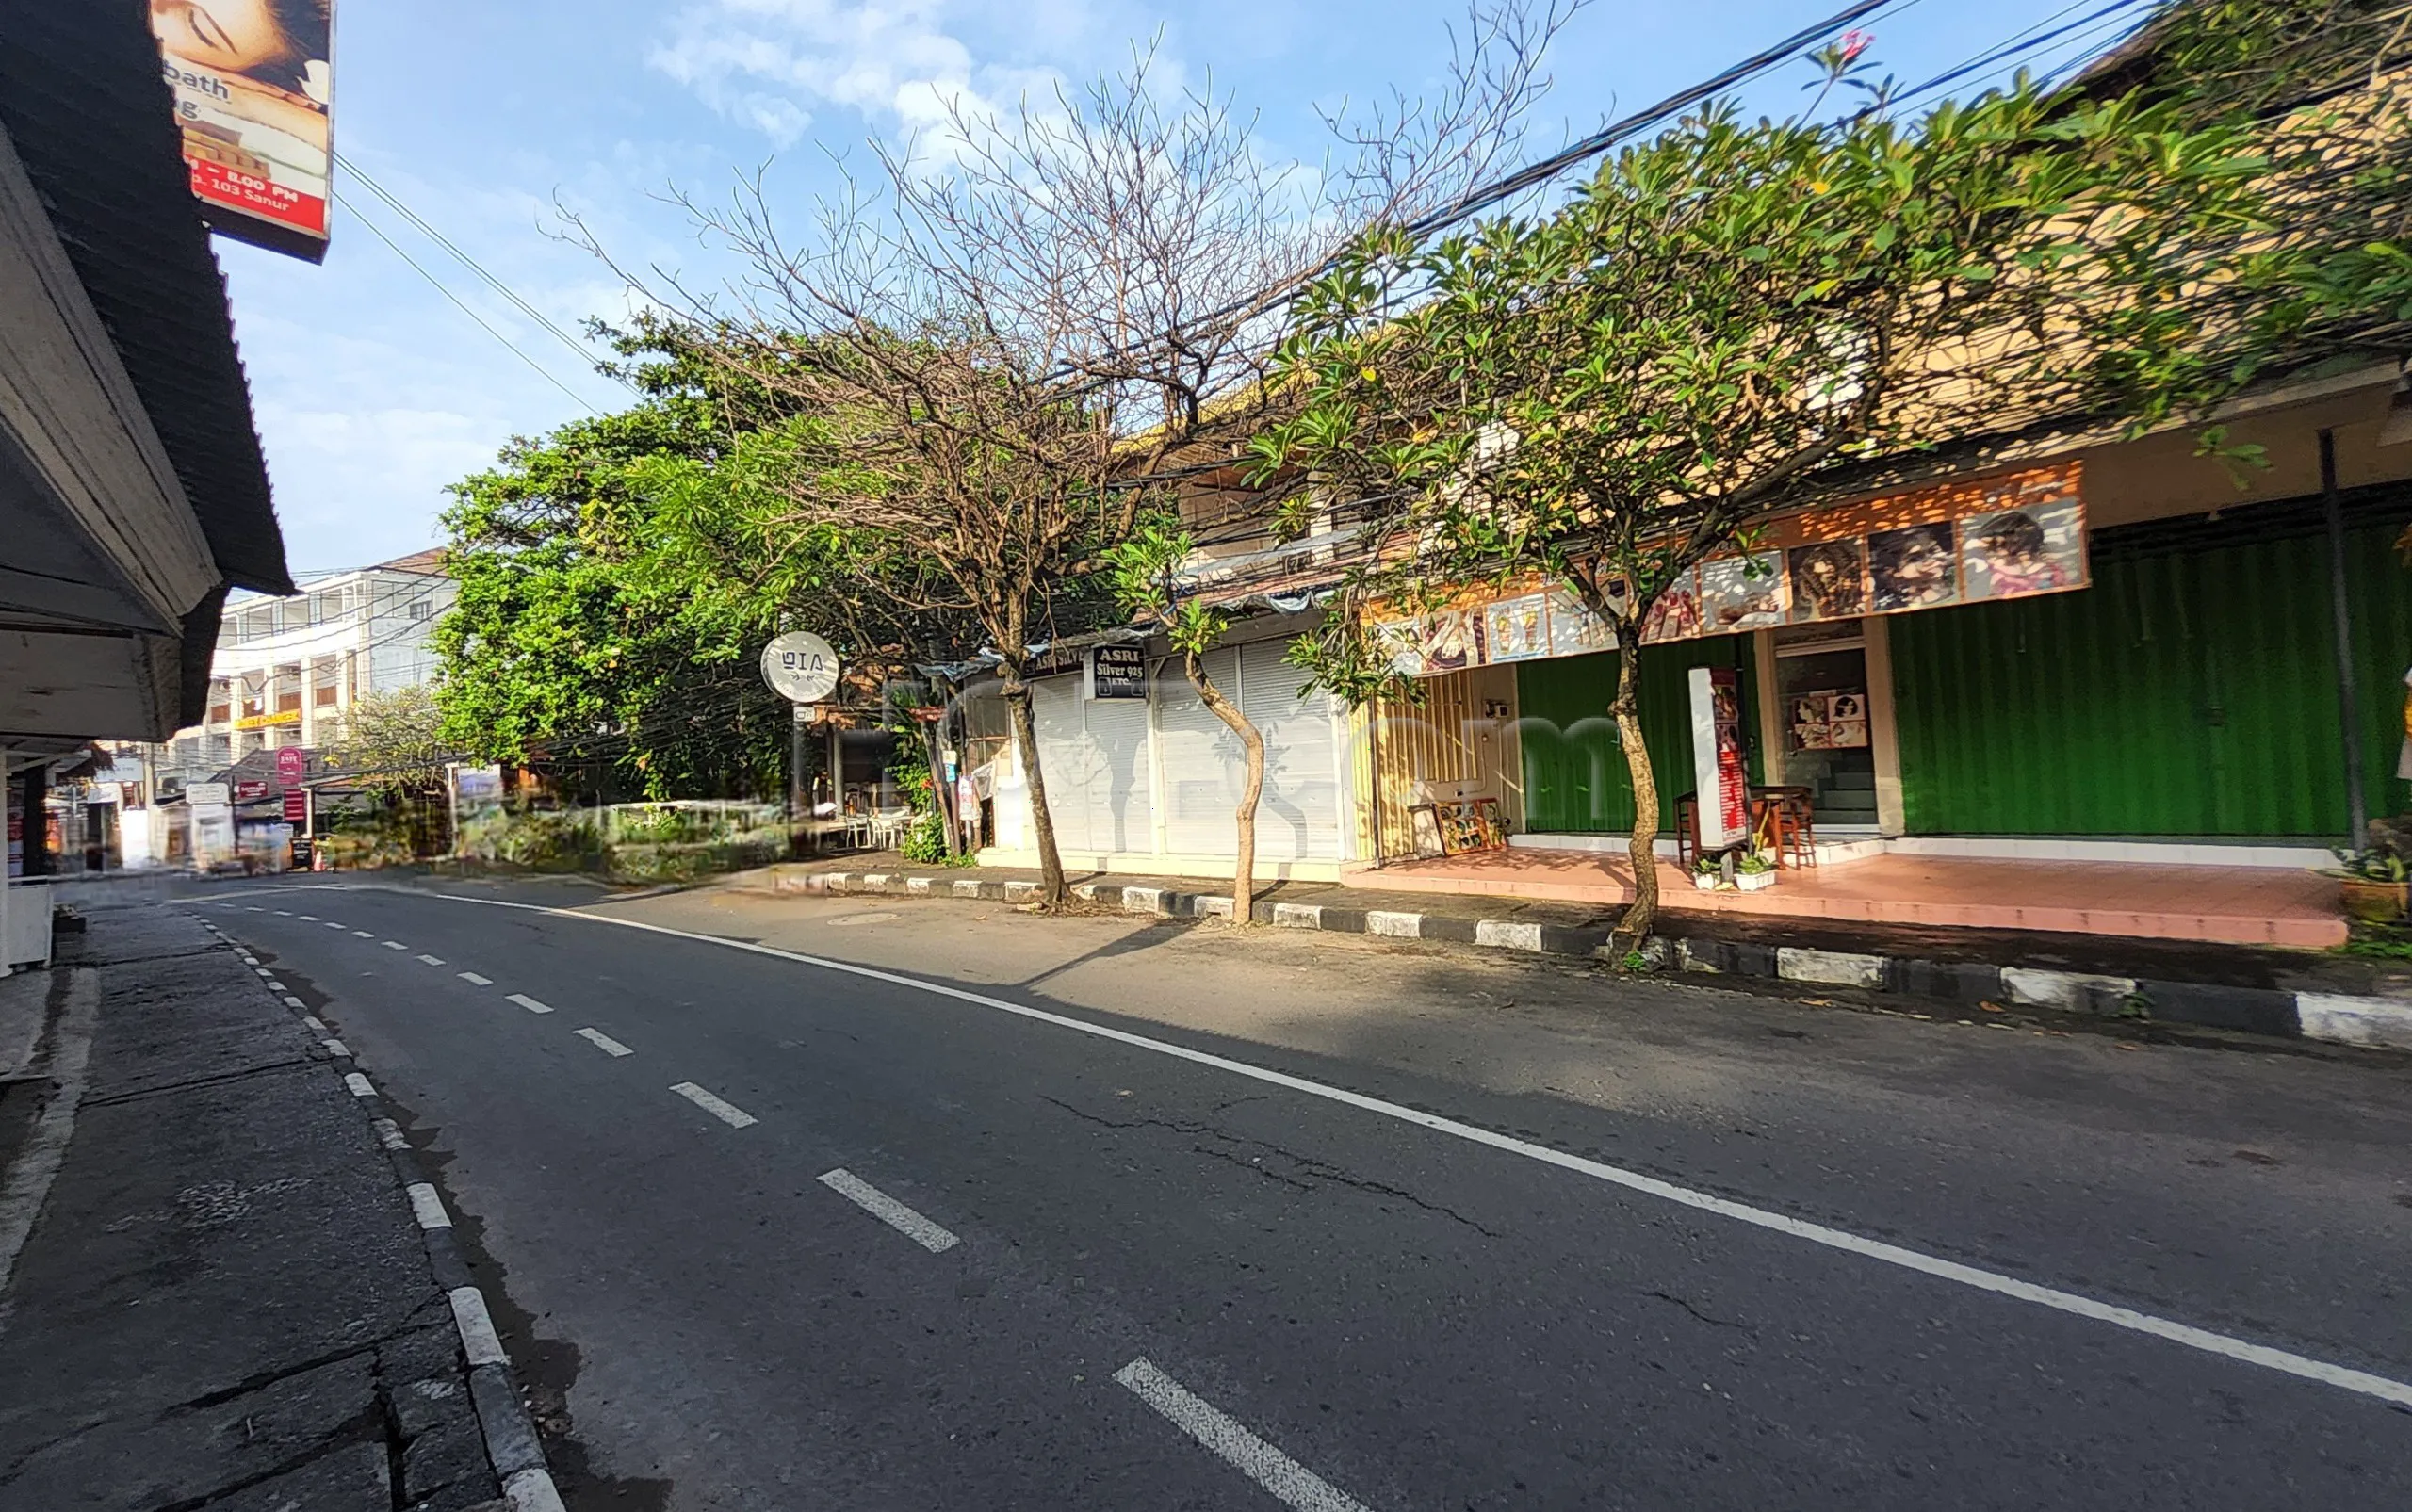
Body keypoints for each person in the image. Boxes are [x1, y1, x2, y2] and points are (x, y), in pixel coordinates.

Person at [1972, 511, 2071, 596]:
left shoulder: (2051, 574)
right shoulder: (1995, 574)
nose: (1988, 555)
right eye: (1988, 549)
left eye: (1995, 546)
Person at [1868, 524, 1957, 611]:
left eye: (1932, 550)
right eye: (1914, 559)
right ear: (1894, 572)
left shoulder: (1960, 579)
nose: (1929, 560)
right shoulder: (1892, 606)